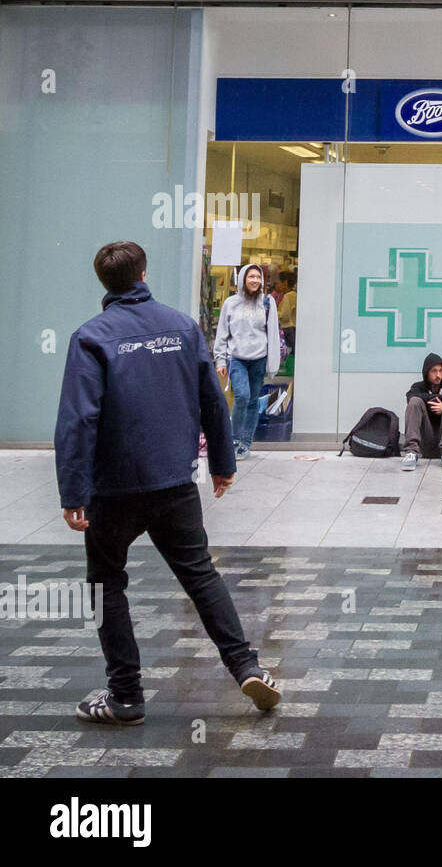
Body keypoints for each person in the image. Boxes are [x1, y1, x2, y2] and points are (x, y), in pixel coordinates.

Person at [54, 241, 280, 725]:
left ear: (105, 283)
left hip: (113, 489)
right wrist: (222, 462)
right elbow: (212, 402)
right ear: (143, 274)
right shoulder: (181, 326)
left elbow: (78, 420)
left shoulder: (90, 337)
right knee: (200, 574)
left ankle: (126, 696)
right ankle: (246, 667)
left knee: (105, 584)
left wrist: (72, 492)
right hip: (173, 481)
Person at [213, 263, 281, 460]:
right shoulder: (230, 303)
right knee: (242, 396)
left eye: (258, 277)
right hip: (237, 358)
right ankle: (233, 441)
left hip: (259, 359)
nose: (255, 280)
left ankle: (245, 443)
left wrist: (272, 364)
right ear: (243, 278)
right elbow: (222, 333)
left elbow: (273, 334)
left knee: (252, 401)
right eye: (251, 276)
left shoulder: (268, 302)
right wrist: (221, 360)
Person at [402, 353, 442, 471]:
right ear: (426, 372)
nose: (438, 375)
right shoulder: (418, 387)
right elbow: (410, 397)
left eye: (440, 371)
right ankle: (411, 452)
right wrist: (432, 400)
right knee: (414, 401)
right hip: (425, 438)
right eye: (434, 371)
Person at [276, 270, 297, 354]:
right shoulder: (294, 295)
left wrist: (274, 313)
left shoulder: (287, 297)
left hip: (288, 330)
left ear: (285, 283)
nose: (276, 285)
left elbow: (285, 316)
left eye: (278, 283)